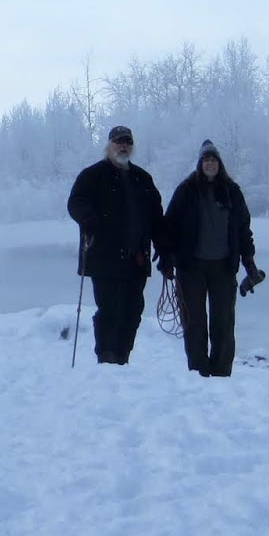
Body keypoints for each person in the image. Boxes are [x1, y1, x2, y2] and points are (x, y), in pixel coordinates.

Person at [67, 124, 167, 365]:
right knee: (109, 310)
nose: (123, 146)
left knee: (133, 311)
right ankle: (106, 357)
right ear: (109, 145)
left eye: (127, 142)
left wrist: (165, 248)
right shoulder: (92, 175)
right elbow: (75, 203)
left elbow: (156, 216)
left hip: (136, 259)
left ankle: (122, 356)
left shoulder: (142, 178)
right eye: (118, 142)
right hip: (104, 257)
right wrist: (88, 218)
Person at [160, 139, 259, 377]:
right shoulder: (186, 190)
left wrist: (250, 263)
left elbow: (244, 229)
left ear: (220, 163)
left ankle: (222, 371)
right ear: (200, 163)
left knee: (223, 323)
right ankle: (198, 371)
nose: (210, 163)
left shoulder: (232, 191)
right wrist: (166, 258)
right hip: (191, 267)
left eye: (214, 159)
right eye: (206, 159)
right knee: (193, 323)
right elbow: (169, 225)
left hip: (224, 267)